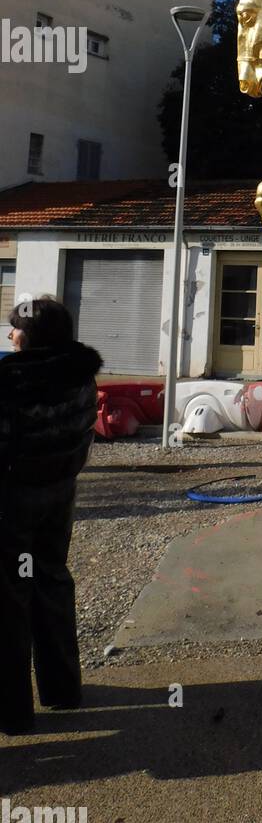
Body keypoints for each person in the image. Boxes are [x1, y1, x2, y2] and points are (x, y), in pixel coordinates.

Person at [0, 296, 101, 734]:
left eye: (15, 329)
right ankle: (61, 689)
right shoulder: (80, 376)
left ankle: (13, 711)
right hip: (59, 495)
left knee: (8, 600)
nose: (9, 335)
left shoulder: (10, 383)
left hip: (11, 503)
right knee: (52, 581)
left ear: (30, 337)